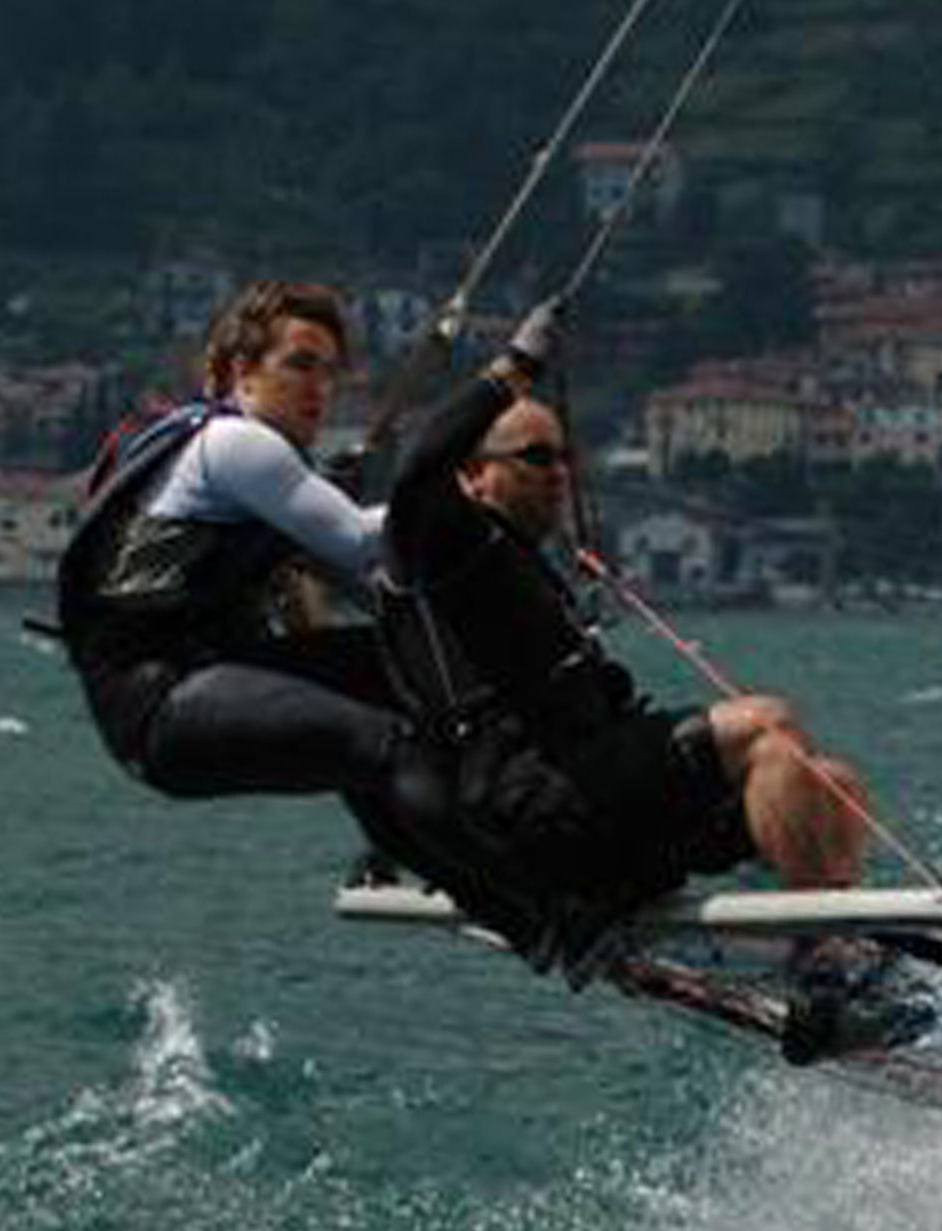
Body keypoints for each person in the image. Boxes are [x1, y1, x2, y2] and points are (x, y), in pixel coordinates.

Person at [373, 306, 877, 981]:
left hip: (604, 798)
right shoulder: (446, 541)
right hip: (540, 807)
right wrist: (515, 368)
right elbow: (414, 468)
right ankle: (826, 959)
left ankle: (846, 951)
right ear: (473, 476)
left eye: (564, 457)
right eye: (535, 457)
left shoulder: (529, 562)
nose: (559, 472)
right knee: (767, 725)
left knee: (828, 785)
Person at [54, 280, 408, 800]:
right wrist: (466, 498)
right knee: (384, 740)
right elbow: (355, 539)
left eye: (329, 373)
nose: (320, 388)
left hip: (209, 675)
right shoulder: (233, 444)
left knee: (407, 669)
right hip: (161, 704)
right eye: (300, 365)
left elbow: (370, 587)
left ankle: (430, 858)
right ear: (243, 371)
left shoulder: (252, 462)